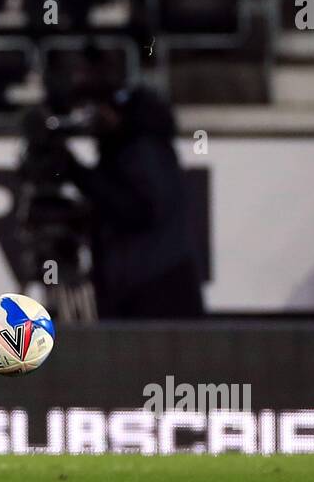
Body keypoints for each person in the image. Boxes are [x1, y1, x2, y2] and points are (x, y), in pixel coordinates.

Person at [56, 86, 204, 318]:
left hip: (153, 291)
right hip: (143, 286)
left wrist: (79, 175)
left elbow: (140, 209)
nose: (94, 119)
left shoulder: (143, 150)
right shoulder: (132, 152)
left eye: (100, 110)